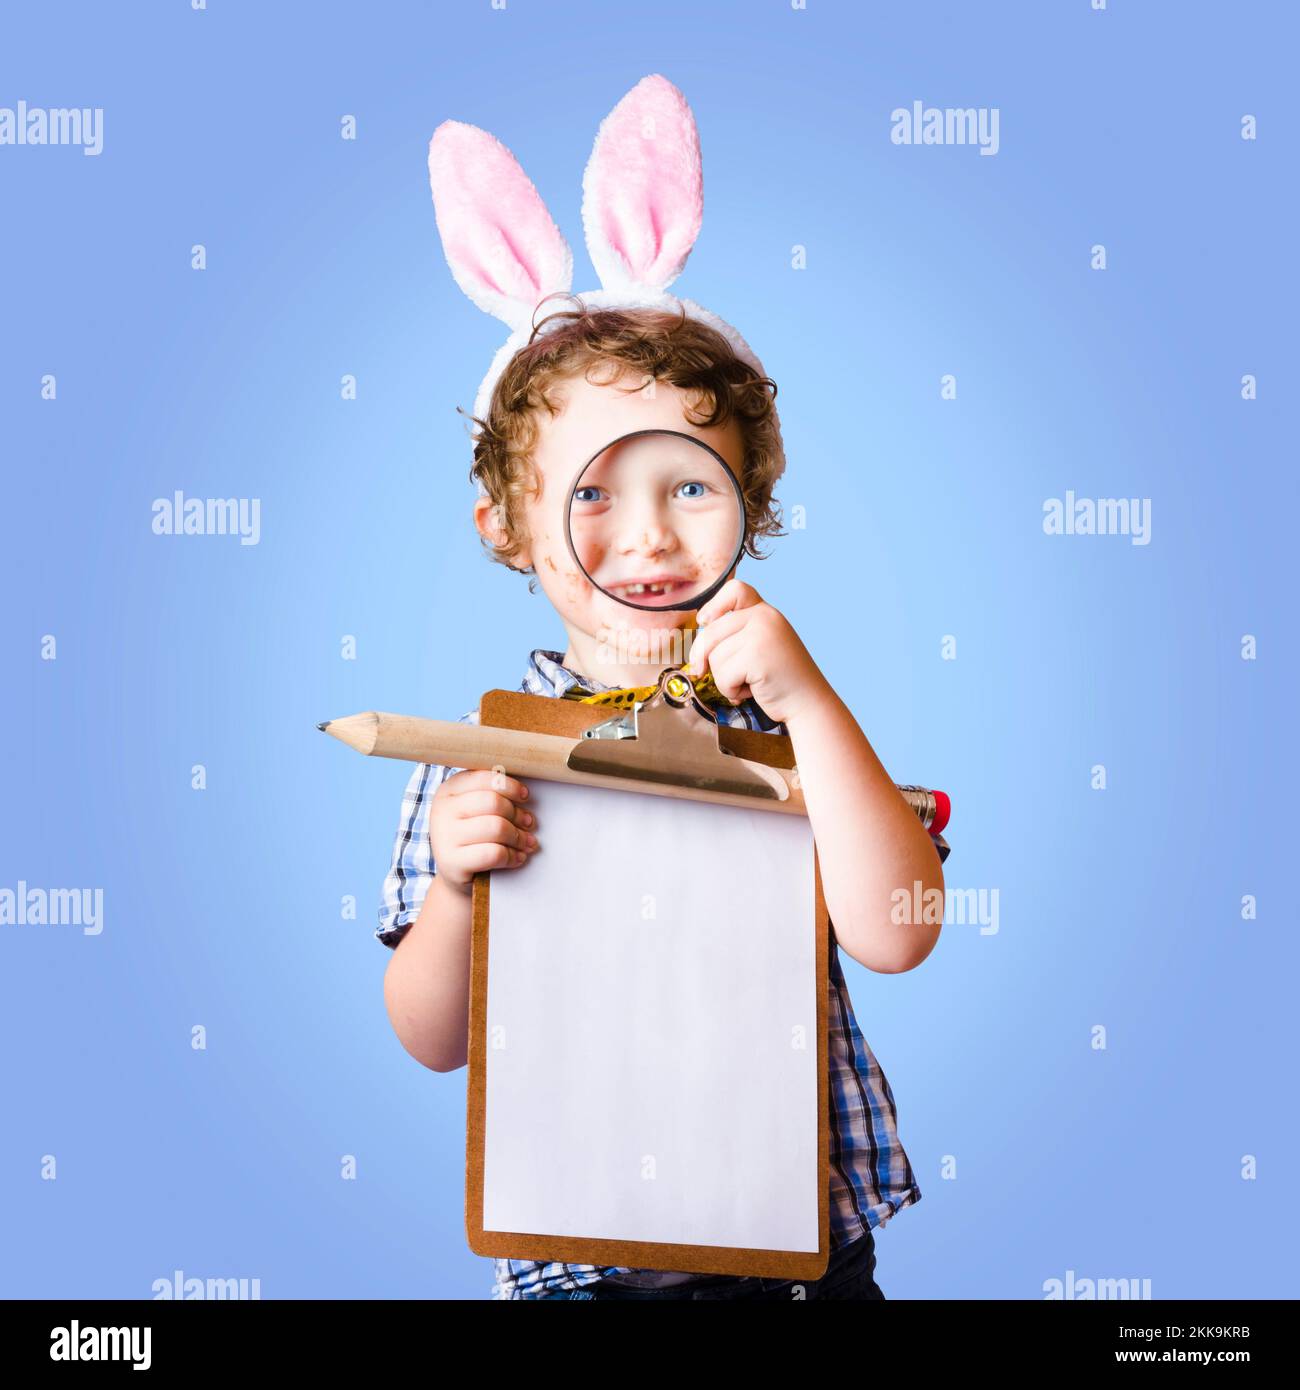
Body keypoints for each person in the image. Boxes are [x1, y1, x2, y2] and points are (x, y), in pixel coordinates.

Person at [375, 75, 946, 1300]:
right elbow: (430, 1041)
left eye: (688, 486)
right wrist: (456, 891)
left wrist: (813, 703)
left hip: (804, 1259)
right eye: (590, 493)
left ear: (752, 509)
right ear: (505, 526)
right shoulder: (480, 754)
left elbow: (898, 930)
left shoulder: (785, 726)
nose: (645, 538)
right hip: (585, 1273)